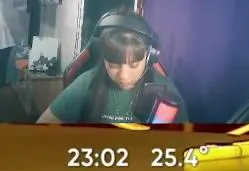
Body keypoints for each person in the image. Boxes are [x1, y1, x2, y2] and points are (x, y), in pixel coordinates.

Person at [37, 10, 187, 124]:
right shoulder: (86, 84)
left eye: (134, 65)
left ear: (149, 57)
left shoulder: (167, 91)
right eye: (113, 65)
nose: (124, 76)